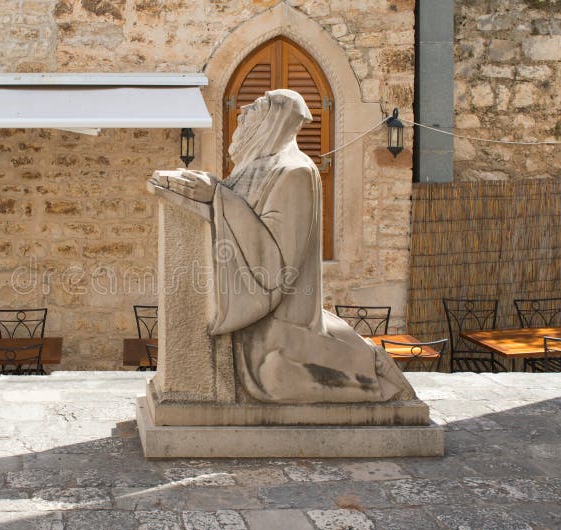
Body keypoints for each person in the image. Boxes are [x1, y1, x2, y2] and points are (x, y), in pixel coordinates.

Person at [151, 89, 415, 403]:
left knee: (274, 377)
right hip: (258, 322)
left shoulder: (296, 172)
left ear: (272, 122)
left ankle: (367, 373)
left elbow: (275, 266)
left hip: (282, 324)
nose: (243, 114)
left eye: (256, 110)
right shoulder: (253, 169)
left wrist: (219, 197)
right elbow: (234, 212)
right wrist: (215, 191)